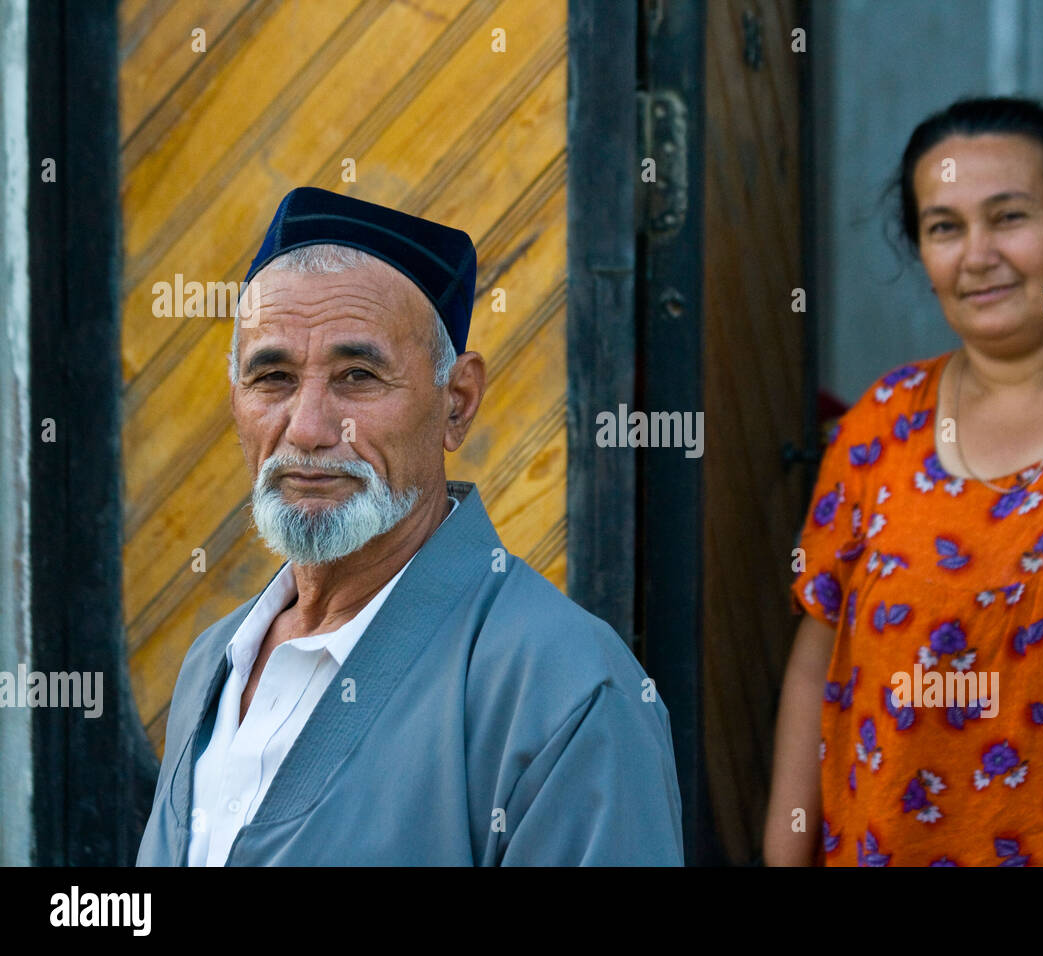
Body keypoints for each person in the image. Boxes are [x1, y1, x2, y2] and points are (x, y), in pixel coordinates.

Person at [136, 186, 683, 866]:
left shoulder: (566, 691)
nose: (306, 429)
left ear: (457, 403)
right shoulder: (215, 661)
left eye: (358, 376)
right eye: (272, 376)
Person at [765, 98, 1043, 866]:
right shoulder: (883, 420)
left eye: (1009, 217)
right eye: (944, 227)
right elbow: (819, 650)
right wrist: (784, 854)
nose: (977, 255)